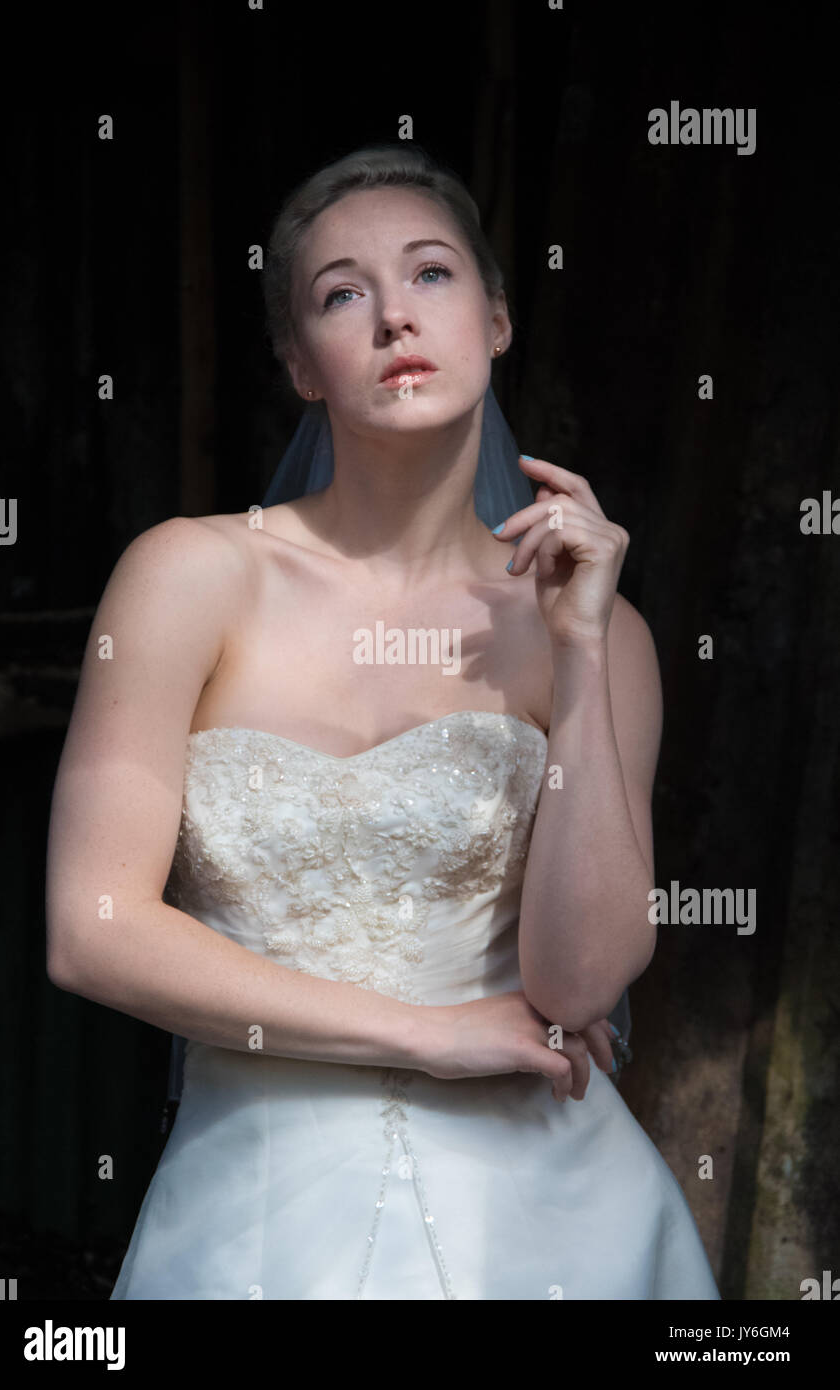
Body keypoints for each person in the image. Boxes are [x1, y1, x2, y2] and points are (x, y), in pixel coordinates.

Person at [45, 143, 720, 1299]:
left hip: (554, 1215)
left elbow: (580, 983)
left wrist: (582, 649)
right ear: (299, 363)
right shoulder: (186, 575)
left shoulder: (599, 632)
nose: (393, 316)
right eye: (341, 294)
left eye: (432, 276)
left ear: (497, 321)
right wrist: (425, 1034)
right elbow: (91, 928)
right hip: (256, 1211)